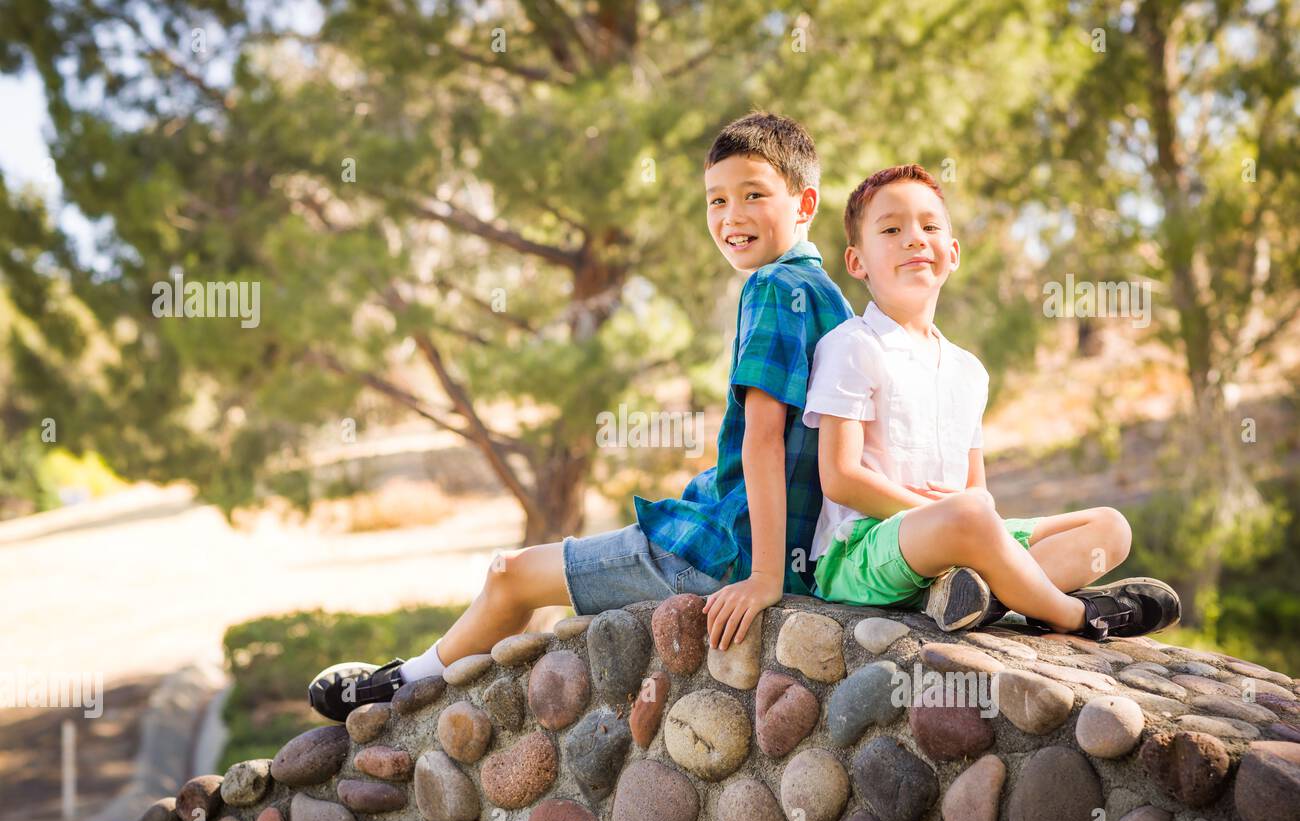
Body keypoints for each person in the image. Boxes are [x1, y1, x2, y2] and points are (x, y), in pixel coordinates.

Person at [306, 112, 856, 721]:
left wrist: (764, 578)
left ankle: (398, 688)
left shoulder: (774, 288)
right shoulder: (828, 294)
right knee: (544, 602)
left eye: (755, 195)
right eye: (716, 200)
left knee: (509, 574)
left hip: (723, 551)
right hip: (777, 543)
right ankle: (436, 688)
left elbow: (764, 441)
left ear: (804, 203)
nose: (732, 216)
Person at [804, 163, 1179, 640]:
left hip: (963, 541)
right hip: (865, 550)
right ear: (857, 262)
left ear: (953, 252)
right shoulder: (853, 344)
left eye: (930, 226)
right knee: (969, 515)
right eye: (892, 229)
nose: (915, 238)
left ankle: (972, 595)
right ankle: (1075, 615)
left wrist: (972, 514)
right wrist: (935, 511)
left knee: (1110, 527)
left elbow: (975, 489)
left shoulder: (967, 370)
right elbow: (840, 478)